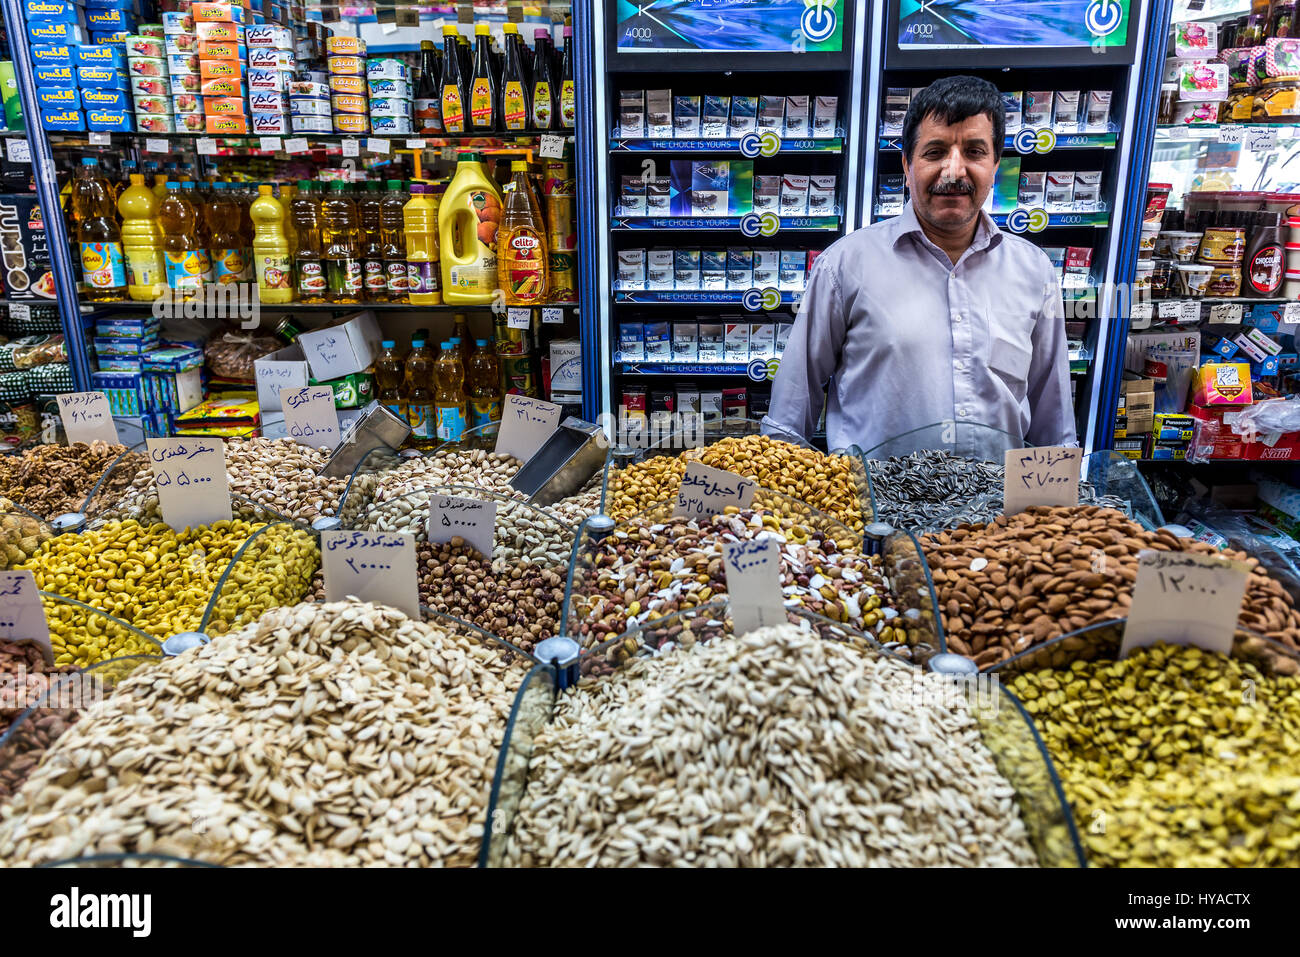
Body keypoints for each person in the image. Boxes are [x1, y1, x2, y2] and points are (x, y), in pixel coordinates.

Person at [762, 75, 1076, 457]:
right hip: (875, 511)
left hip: (997, 512)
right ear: (907, 164)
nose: (954, 171)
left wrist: (1055, 508)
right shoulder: (844, 266)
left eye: (975, 152)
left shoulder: (1034, 272)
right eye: (935, 152)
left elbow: (1053, 421)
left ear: (996, 165)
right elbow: (790, 413)